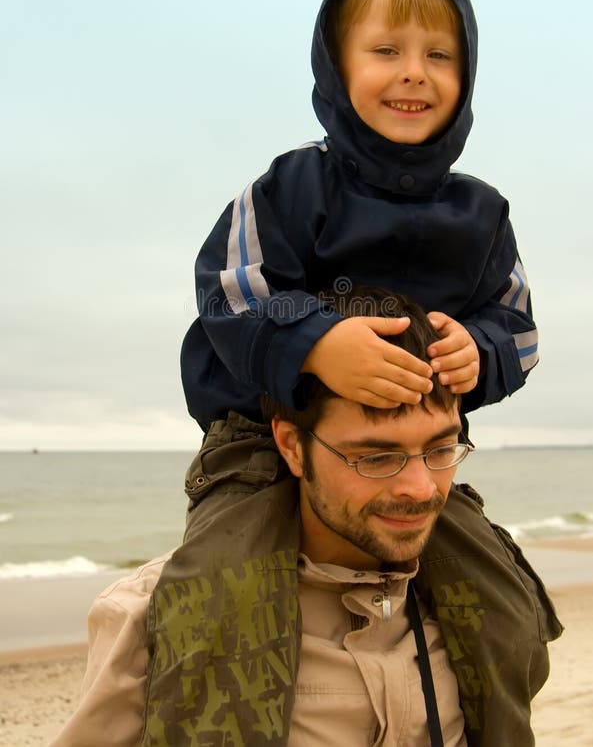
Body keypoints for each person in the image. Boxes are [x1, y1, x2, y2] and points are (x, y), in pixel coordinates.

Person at [145, 0, 542, 741]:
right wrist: (317, 343)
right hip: (258, 439)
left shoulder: (482, 214)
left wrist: (479, 353)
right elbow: (227, 291)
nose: (413, 73)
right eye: (385, 50)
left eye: (439, 55)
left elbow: (518, 328)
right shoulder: (289, 187)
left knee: (505, 603)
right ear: (335, 67)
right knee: (218, 597)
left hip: (407, 454)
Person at [52, 290, 560, 747]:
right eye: (376, 457)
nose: (422, 488)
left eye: (441, 449)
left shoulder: (481, 608)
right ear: (292, 446)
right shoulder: (152, 615)